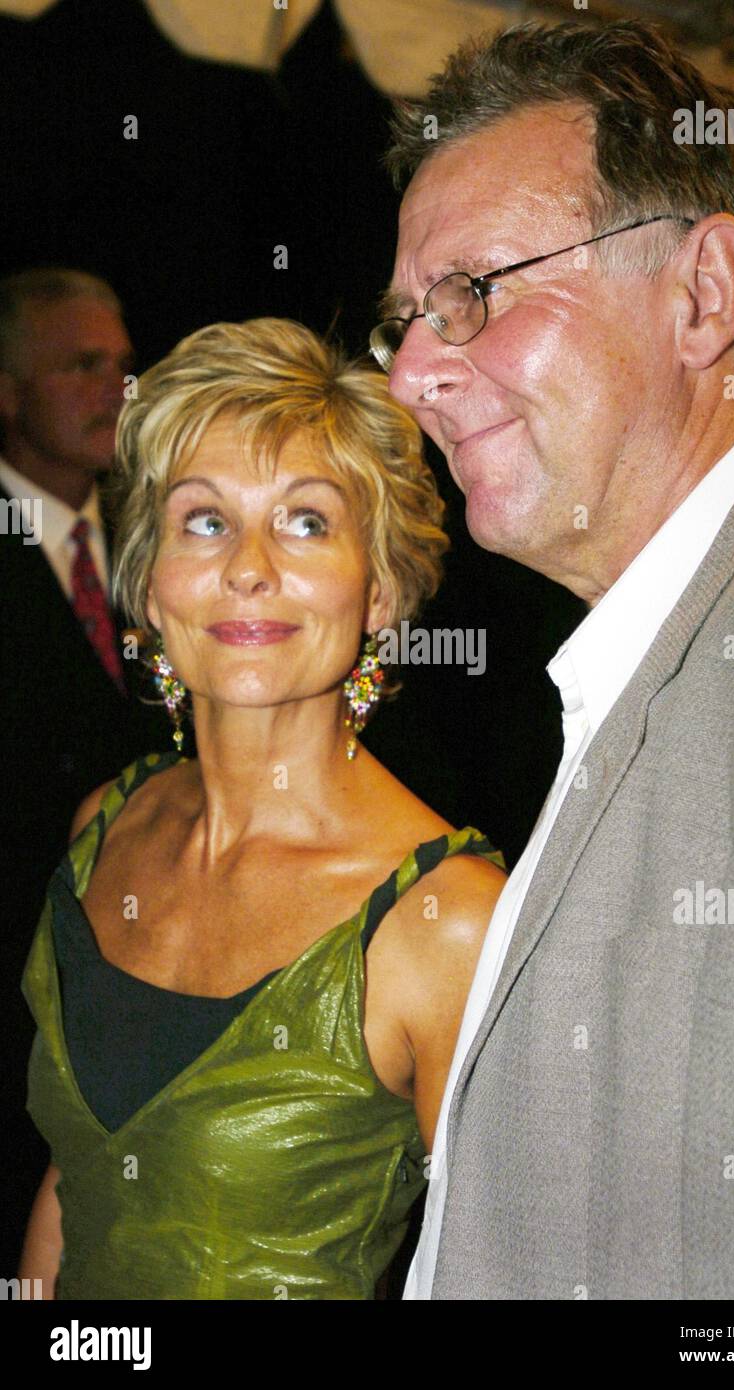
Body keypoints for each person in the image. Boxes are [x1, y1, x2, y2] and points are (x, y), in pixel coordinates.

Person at [371, 19, 734, 1298]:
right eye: (405, 320)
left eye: (475, 291)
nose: (414, 374)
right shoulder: (714, 631)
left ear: (703, 294)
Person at [17, 316, 506, 1300]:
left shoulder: (447, 920)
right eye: (204, 520)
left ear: (380, 588)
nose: (248, 564)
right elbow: (75, 1185)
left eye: (306, 520)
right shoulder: (105, 826)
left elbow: (510, 1268)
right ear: (148, 578)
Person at [0, 268, 174, 1276]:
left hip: (145, 997)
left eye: (121, 363)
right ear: (9, 390)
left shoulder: (166, 543)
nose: (115, 387)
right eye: (80, 365)